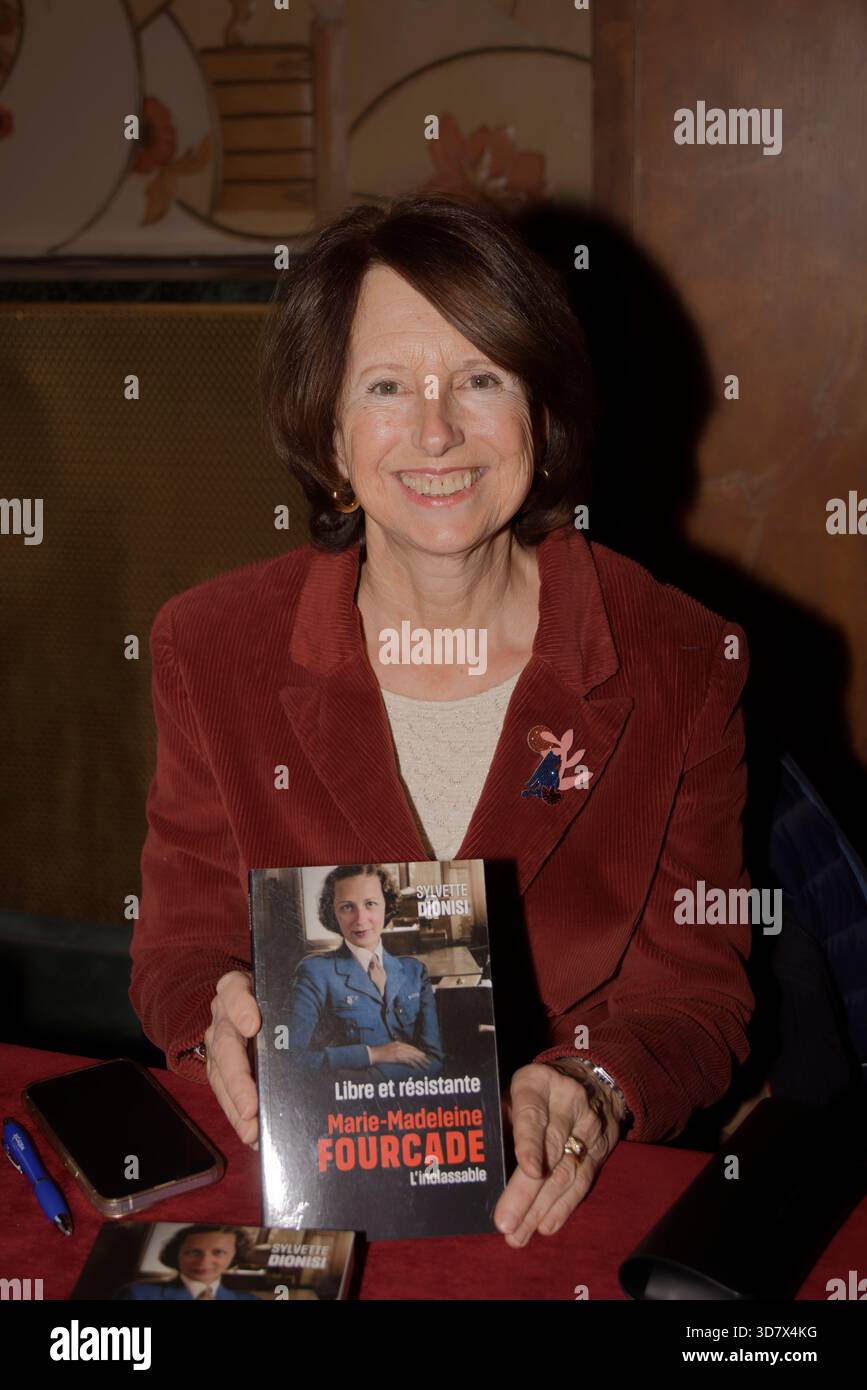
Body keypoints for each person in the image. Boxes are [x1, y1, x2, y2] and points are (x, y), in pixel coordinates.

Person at [130, 192, 754, 1248]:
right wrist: (217, 1013)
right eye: (387, 386)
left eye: (479, 379)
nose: (435, 431)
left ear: (542, 417)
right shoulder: (214, 647)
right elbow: (179, 945)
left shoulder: (680, 659)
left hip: (549, 1209)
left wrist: (593, 1080)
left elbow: (697, 999)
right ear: (329, 434)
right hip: (317, 1202)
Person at [284, 863, 444, 1078]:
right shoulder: (315, 973)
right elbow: (289, 1058)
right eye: (347, 907)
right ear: (334, 913)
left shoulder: (415, 972)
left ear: (386, 906)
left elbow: (433, 1059)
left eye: (370, 904)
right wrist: (372, 1054)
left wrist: (373, 1078)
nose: (361, 919)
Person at [115, 1225, 258, 1300]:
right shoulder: (137, 1295)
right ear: (176, 1254)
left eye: (218, 1252)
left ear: (235, 1256)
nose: (204, 1261)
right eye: (193, 1252)